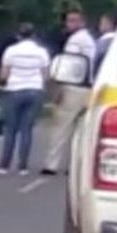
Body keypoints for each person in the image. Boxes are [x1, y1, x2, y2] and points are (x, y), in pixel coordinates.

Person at [41, 9, 96, 175]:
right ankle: (74, 165)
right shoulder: (90, 40)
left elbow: (68, 64)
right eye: (69, 20)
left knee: (61, 126)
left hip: (73, 86)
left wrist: (57, 85)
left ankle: (51, 163)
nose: (69, 24)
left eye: (73, 20)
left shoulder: (75, 40)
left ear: (82, 22)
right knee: (80, 129)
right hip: (88, 87)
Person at [0, 23, 51, 175]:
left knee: (10, 129)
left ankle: (3, 165)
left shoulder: (11, 51)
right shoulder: (41, 52)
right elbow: (45, 75)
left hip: (14, 90)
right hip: (35, 90)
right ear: (33, 35)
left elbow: (4, 75)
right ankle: (23, 166)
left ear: (18, 35)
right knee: (26, 129)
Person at [94, 13, 117, 78]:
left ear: (110, 24)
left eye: (102, 23)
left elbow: (95, 58)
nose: (100, 26)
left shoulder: (103, 41)